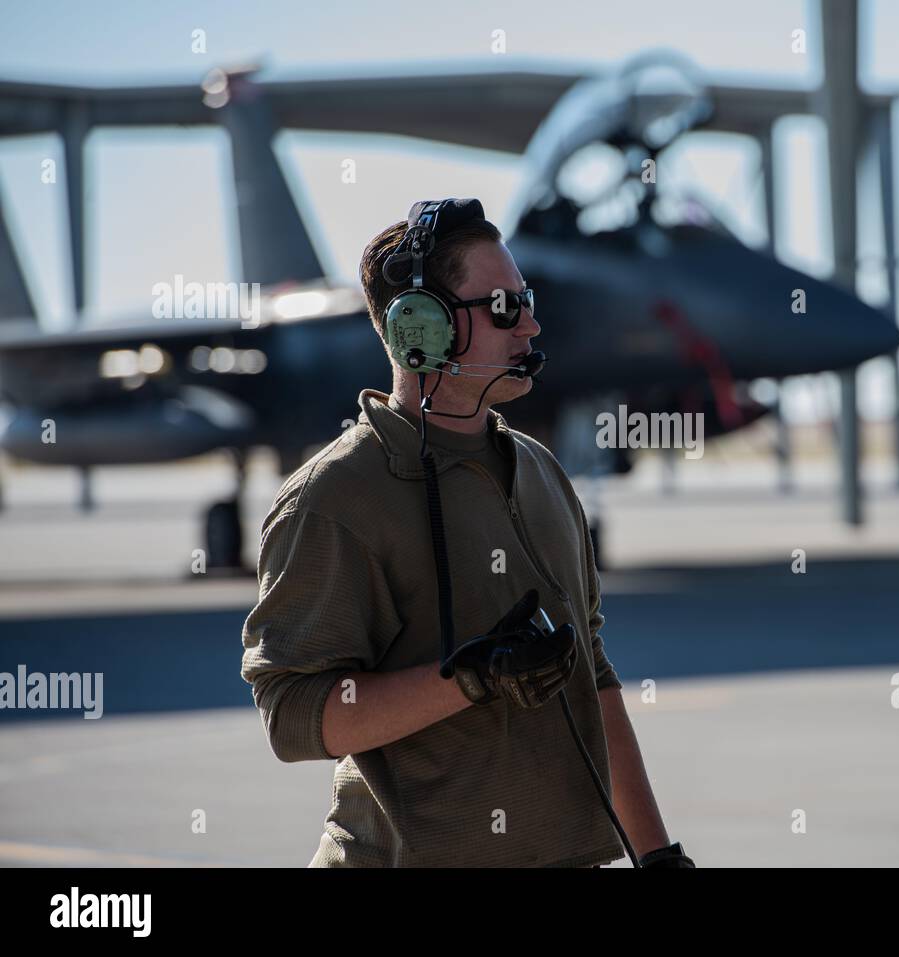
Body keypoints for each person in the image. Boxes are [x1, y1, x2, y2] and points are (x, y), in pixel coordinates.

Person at [240, 199, 692, 867]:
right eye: (506, 307)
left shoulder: (542, 474)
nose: (531, 323)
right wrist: (468, 678)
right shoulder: (333, 498)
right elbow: (295, 716)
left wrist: (657, 855)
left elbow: (592, 674)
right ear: (421, 329)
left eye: (527, 300)